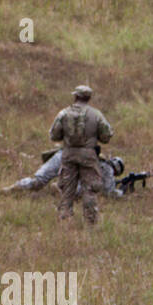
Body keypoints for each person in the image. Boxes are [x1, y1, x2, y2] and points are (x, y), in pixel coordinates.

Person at [49, 85, 114, 224]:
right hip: (88, 155)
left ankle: (65, 220)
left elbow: (54, 135)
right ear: (89, 98)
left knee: (67, 189)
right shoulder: (96, 114)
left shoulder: (63, 113)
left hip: (68, 154)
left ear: (75, 96)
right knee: (89, 189)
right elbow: (106, 136)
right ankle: (90, 222)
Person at [1, 149, 124, 198]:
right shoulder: (108, 168)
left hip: (62, 154)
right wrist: (121, 191)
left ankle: (13, 188)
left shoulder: (95, 156)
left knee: (37, 181)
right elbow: (109, 192)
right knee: (82, 190)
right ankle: (61, 188)